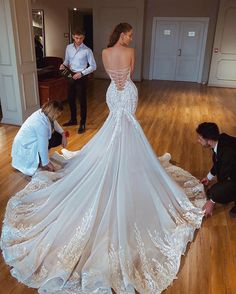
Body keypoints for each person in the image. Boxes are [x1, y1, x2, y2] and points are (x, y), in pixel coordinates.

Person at [1, 23, 204, 294]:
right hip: (127, 92)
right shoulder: (129, 51)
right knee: (128, 127)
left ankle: (116, 162)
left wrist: (118, 79)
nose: (131, 38)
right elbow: (128, 76)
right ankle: (127, 166)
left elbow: (113, 77)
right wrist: (124, 79)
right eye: (129, 34)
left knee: (116, 129)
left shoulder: (106, 52)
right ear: (122, 34)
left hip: (112, 92)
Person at [11, 100, 68, 176]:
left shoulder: (44, 113)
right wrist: (46, 163)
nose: (59, 116)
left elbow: (54, 122)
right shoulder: (41, 124)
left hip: (27, 140)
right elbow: (43, 146)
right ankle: (40, 160)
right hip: (25, 146)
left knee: (58, 136)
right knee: (51, 140)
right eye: (58, 114)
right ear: (53, 113)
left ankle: (41, 158)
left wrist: (63, 134)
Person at [60, 28, 97, 133]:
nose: (78, 40)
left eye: (81, 38)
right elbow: (67, 60)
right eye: (76, 38)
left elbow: (93, 66)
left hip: (81, 76)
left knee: (82, 101)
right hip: (70, 75)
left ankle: (82, 123)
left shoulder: (87, 50)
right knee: (71, 99)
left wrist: (81, 73)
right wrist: (63, 65)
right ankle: (73, 120)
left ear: (84, 37)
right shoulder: (68, 48)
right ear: (73, 37)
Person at [196, 122, 236, 218]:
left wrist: (212, 201)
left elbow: (227, 179)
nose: (198, 141)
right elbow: (218, 162)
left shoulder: (228, 153)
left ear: (209, 141)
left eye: (200, 139)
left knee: (214, 192)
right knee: (213, 192)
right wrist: (208, 177)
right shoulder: (221, 139)